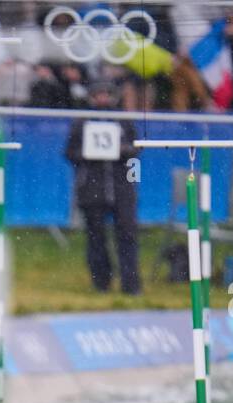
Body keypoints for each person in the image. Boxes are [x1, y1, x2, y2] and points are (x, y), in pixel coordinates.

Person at [65, 80, 141, 295]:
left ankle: (131, 284)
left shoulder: (124, 121)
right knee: (96, 237)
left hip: (122, 187)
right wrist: (88, 153)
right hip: (92, 187)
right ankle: (101, 282)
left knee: (127, 235)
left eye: (107, 94)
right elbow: (70, 153)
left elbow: (136, 150)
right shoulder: (81, 122)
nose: (103, 99)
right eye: (99, 94)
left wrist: (122, 150)